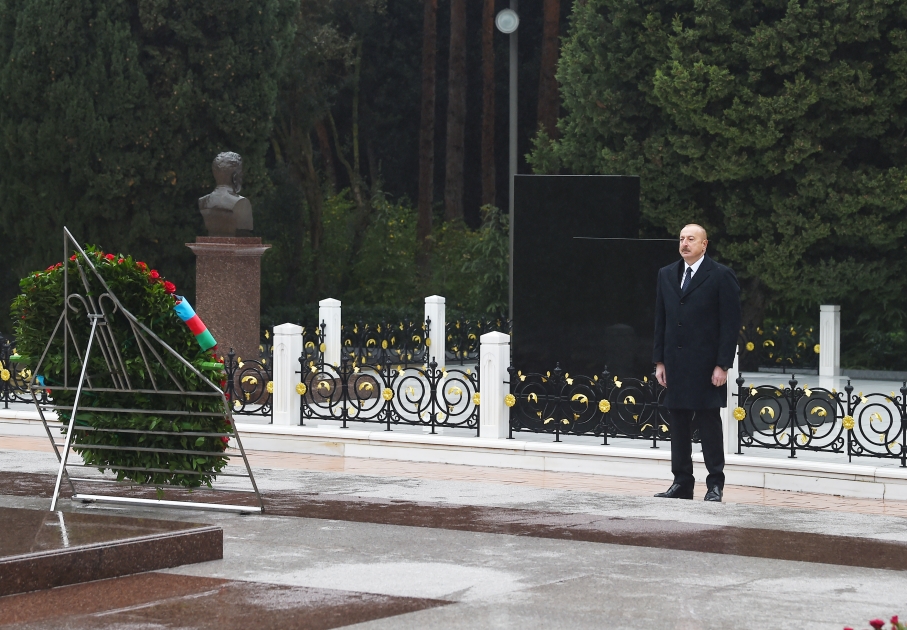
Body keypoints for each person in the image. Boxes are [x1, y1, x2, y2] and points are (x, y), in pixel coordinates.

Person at [652, 224, 740, 502]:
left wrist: (722, 364)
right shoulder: (666, 274)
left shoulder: (721, 275)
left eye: (691, 239)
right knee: (678, 424)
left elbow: (730, 323)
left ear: (704, 245)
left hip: (706, 365)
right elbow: (661, 320)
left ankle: (715, 484)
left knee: (709, 424)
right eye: (681, 239)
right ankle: (681, 482)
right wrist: (660, 361)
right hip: (675, 363)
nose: (685, 243)